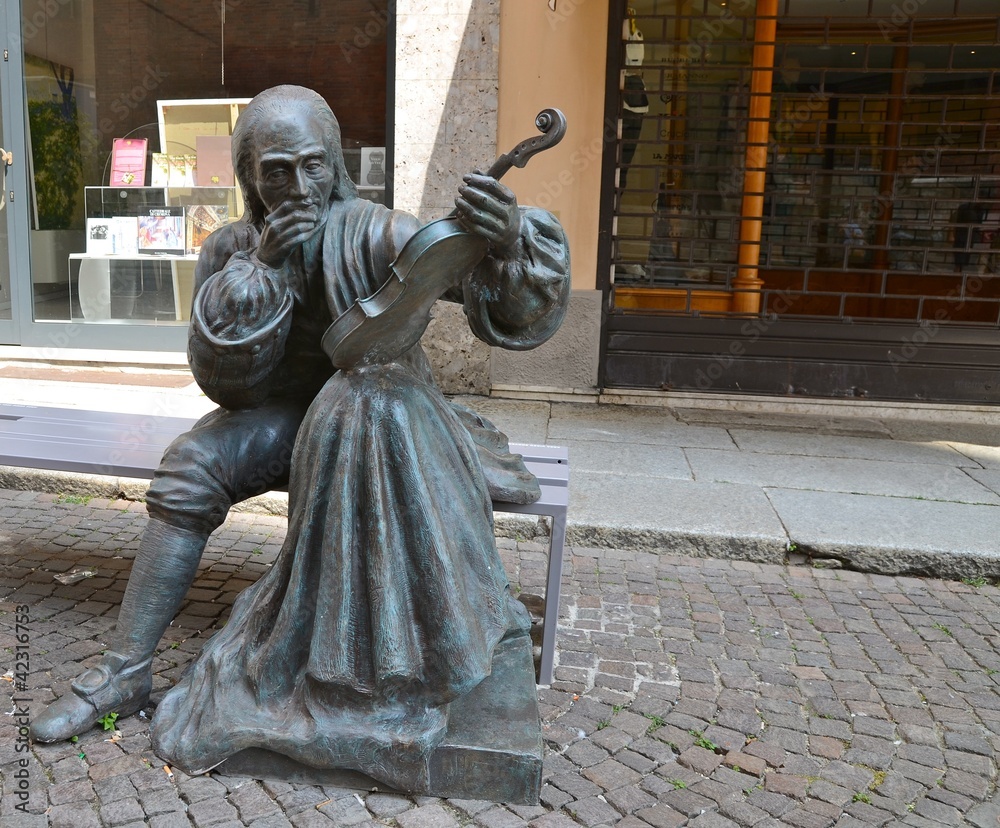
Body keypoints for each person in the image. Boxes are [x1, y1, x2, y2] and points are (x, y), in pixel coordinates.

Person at [33, 85, 570, 745]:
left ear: (334, 163)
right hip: (283, 419)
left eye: (312, 165)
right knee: (189, 467)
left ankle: (384, 663)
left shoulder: (378, 231)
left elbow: (506, 306)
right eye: (276, 172)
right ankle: (124, 672)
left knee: (358, 410)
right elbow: (222, 384)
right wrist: (263, 268)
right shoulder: (231, 249)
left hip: (379, 423)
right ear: (249, 179)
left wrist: (508, 237)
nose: (298, 186)